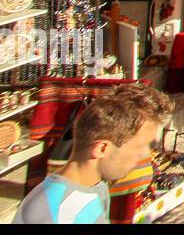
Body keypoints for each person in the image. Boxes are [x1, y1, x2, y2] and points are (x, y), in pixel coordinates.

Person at [13, 82, 173, 224]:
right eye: (139, 147)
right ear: (102, 149)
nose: (144, 155)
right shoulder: (65, 213)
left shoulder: (89, 188)